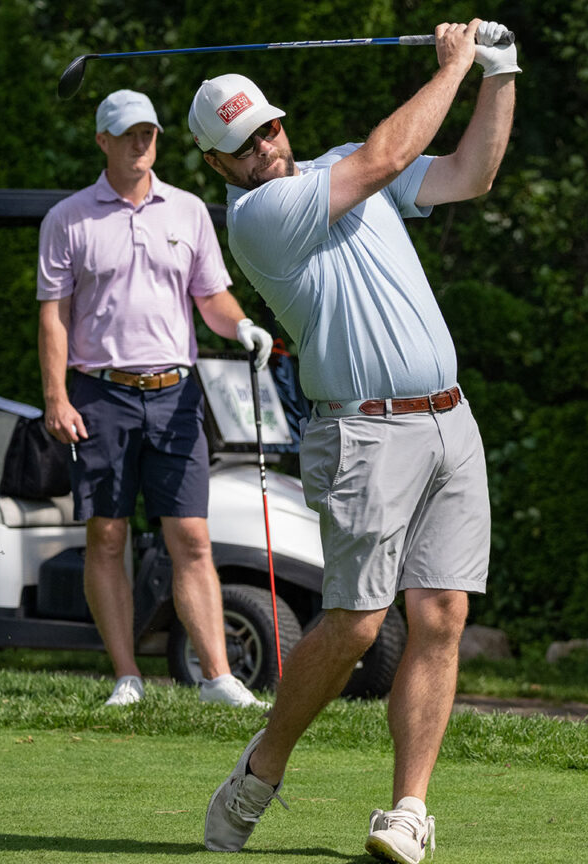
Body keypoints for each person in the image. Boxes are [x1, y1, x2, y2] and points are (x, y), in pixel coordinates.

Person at [186, 19, 518, 863]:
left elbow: (471, 174)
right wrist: (452, 66)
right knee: (358, 623)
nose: (263, 146)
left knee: (442, 613)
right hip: (364, 430)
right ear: (218, 165)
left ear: (278, 121)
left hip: (450, 420)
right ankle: (260, 768)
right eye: (242, 144)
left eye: (266, 127)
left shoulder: (334, 167)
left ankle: (409, 809)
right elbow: (382, 158)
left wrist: (499, 73)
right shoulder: (261, 216)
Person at [38, 89, 275, 709]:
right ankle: (127, 675)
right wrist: (56, 395)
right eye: (128, 134)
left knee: (191, 537)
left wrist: (241, 324)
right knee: (108, 536)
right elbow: (54, 317)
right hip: (101, 395)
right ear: (103, 142)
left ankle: (219, 678)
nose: (141, 143)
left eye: (149, 132)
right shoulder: (68, 219)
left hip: (175, 394)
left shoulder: (190, 211)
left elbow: (211, 297)